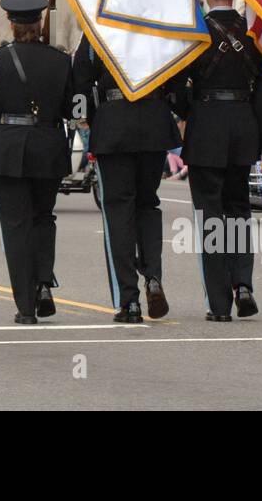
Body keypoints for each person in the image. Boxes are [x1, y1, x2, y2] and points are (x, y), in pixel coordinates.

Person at [0, 0, 76, 326]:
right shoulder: (61, 61)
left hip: (7, 149)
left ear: (12, 25)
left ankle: (26, 306)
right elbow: (74, 108)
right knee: (44, 218)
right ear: (40, 22)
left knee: (16, 227)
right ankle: (43, 282)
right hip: (47, 145)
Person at [176, 0, 262, 322]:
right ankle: (243, 284)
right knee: (239, 211)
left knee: (211, 217)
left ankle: (219, 302)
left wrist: (187, 110)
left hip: (207, 127)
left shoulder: (196, 32)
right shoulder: (252, 31)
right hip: (243, 125)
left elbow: (177, 87)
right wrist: (259, 132)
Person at [72, 29, 185, 324]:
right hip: (154, 122)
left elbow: (80, 82)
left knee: (119, 211)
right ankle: (153, 278)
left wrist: (88, 120)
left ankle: (128, 300)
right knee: (147, 205)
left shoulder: (97, 28)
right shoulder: (156, 26)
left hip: (114, 123)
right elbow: (175, 75)